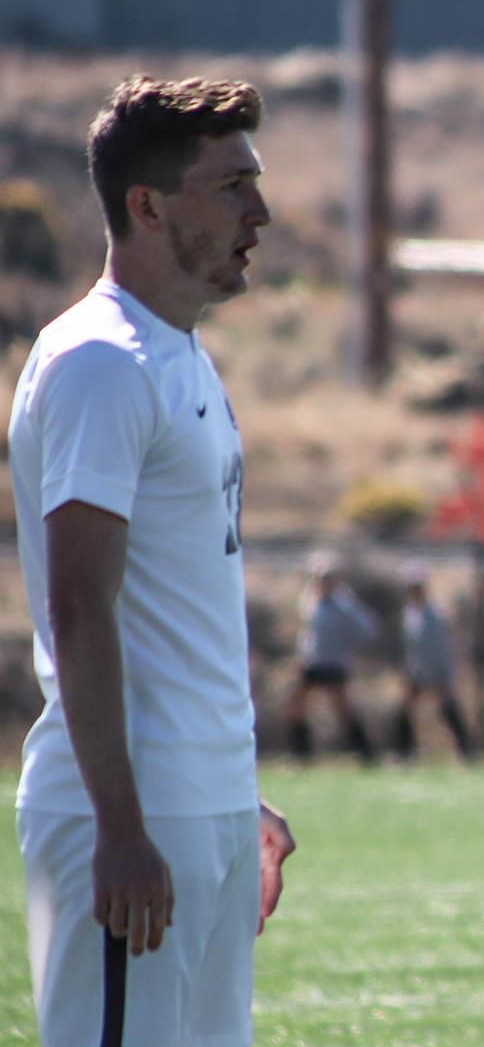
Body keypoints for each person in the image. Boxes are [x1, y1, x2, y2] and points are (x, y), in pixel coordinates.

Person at [7, 75, 295, 1046]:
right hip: (131, 818)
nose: (260, 210)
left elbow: (173, 608)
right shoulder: (101, 362)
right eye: (232, 186)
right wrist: (124, 826)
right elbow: (82, 606)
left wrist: (228, 787)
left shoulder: (175, 353)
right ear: (148, 204)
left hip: (197, 800)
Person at [280, 556, 380, 764]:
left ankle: (366, 754)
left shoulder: (344, 605)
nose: (322, 583)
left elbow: (367, 628)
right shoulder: (313, 602)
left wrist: (348, 645)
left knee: (344, 711)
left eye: (326, 579)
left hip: (334, 664)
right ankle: (301, 753)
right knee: (296, 707)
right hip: (313, 663)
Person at [392, 562, 475, 762]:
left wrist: (443, 672)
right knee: (405, 710)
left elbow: (442, 648)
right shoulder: (410, 613)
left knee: (447, 708)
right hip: (416, 670)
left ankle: (466, 748)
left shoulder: (433, 615)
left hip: (435, 671)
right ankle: (404, 752)